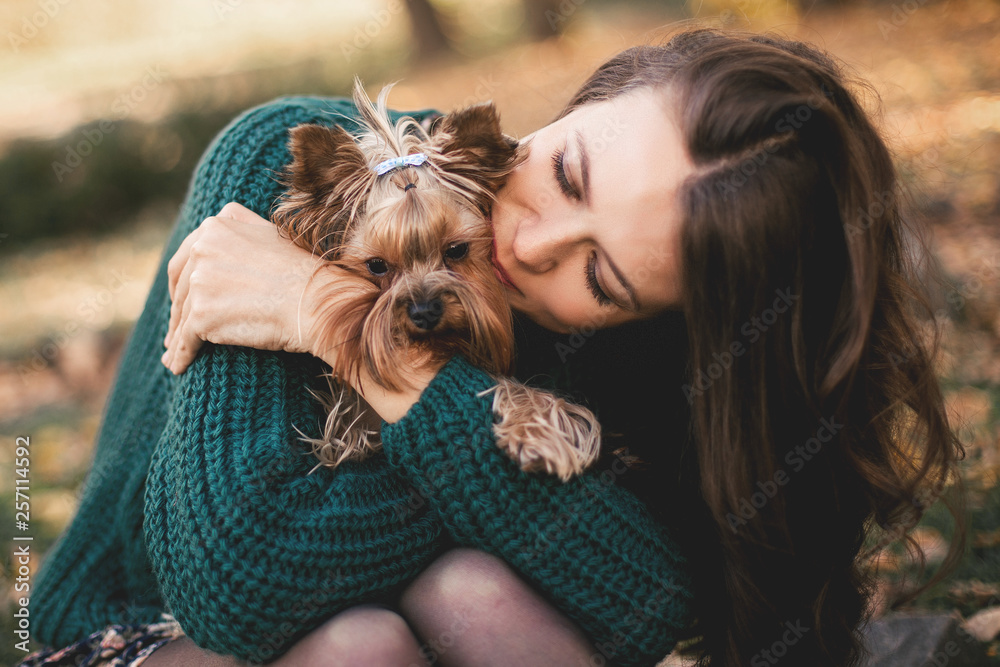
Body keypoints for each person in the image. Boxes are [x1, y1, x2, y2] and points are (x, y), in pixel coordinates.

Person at [26, 28, 967, 667]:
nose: (527, 246)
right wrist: (531, 486)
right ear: (587, 94)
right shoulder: (281, 165)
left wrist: (338, 328)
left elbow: (648, 601)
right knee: (368, 644)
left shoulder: (645, 353)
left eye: (602, 279)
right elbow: (240, 577)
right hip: (138, 628)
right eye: (565, 173)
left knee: (469, 587)